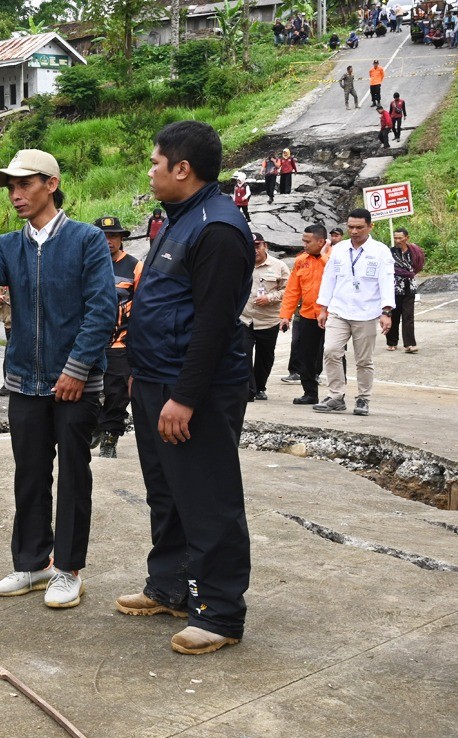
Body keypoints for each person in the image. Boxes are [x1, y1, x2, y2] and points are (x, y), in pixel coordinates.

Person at [0, 149, 116, 610]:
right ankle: (32, 564)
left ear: (52, 183)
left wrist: (77, 369)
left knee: (73, 477)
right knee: (29, 475)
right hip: (26, 382)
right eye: (10, 187)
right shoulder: (9, 244)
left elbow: (102, 311)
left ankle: (68, 569)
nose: (15, 194)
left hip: (76, 385)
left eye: (24, 184)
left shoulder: (86, 240)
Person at [118, 120, 253, 656]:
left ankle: (219, 612)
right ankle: (172, 587)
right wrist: (140, 376)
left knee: (207, 497)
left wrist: (186, 397)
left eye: (155, 162)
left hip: (191, 390)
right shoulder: (178, 220)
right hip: (154, 381)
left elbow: (214, 325)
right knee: (167, 493)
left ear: (182, 168)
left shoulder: (217, 229)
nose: (150, 171)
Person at [316, 207, 395, 416]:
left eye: (359, 227)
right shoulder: (339, 249)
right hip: (339, 311)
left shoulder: (380, 251)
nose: (354, 231)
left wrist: (386, 311)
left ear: (370, 226)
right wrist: (323, 307)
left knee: (363, 360)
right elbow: (329, 278)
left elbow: (387, 282)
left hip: (367, 313)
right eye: (350, 227)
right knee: (331, 351)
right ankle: (335, 396)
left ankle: (363, 399)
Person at [93, 216, 139, 458]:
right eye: (102, 236)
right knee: (84, 391)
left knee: (117, 394)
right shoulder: (85, 263)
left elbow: (144, 308)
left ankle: (110, 436)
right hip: (88, 342)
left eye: (113, 236)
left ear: (121, 239)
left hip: (120, 343)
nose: (107, 241)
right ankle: (95, 425)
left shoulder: (134, 266)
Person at [279, 225, 332, 405]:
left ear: (321, 241)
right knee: (305, 355)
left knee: (334, 354)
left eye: (307, 241)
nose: (304, 244)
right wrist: (285, 315)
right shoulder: (301, 261)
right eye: (304, 240)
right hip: (308, 315)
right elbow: (292, 290)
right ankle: (310, 393)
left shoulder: (333, 259)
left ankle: (336, 394)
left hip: (332, 317)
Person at [243, 233, 290, 401]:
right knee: (244, 353)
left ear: (265, 246)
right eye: (251, 246)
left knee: (265, 357)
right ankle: (248, 390)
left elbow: (288, 290)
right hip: (245, 319)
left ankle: (260, 387)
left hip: (268, 320)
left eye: (258, 245)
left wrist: (269, 298)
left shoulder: (279, 266)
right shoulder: (241, 263)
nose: (254, 250)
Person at [388, 226, 426, 352]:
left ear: (406, 238)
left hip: (410, 287)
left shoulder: (414, 251)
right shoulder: (390, 252)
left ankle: (409, 344)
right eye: (395, 238)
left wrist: (409, 273)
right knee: (394, 315)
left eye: (400, 238)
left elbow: (418, 265)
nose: (397, 240)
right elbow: (387, 268)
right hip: (395, 287)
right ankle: (392, 342)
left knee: (408, 316)